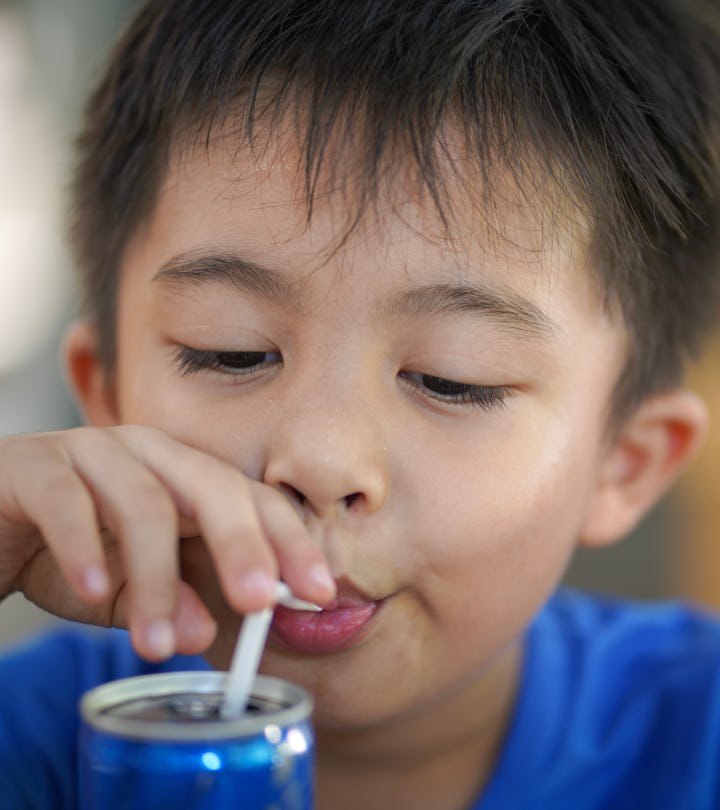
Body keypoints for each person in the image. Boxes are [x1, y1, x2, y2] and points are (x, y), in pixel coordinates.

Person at [1, 1, 720, 807]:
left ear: (624, 460)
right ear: (104, 393)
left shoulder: (699, 742)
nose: (320, 459)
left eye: (456, 379)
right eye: (228, 352)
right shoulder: (28, 741)